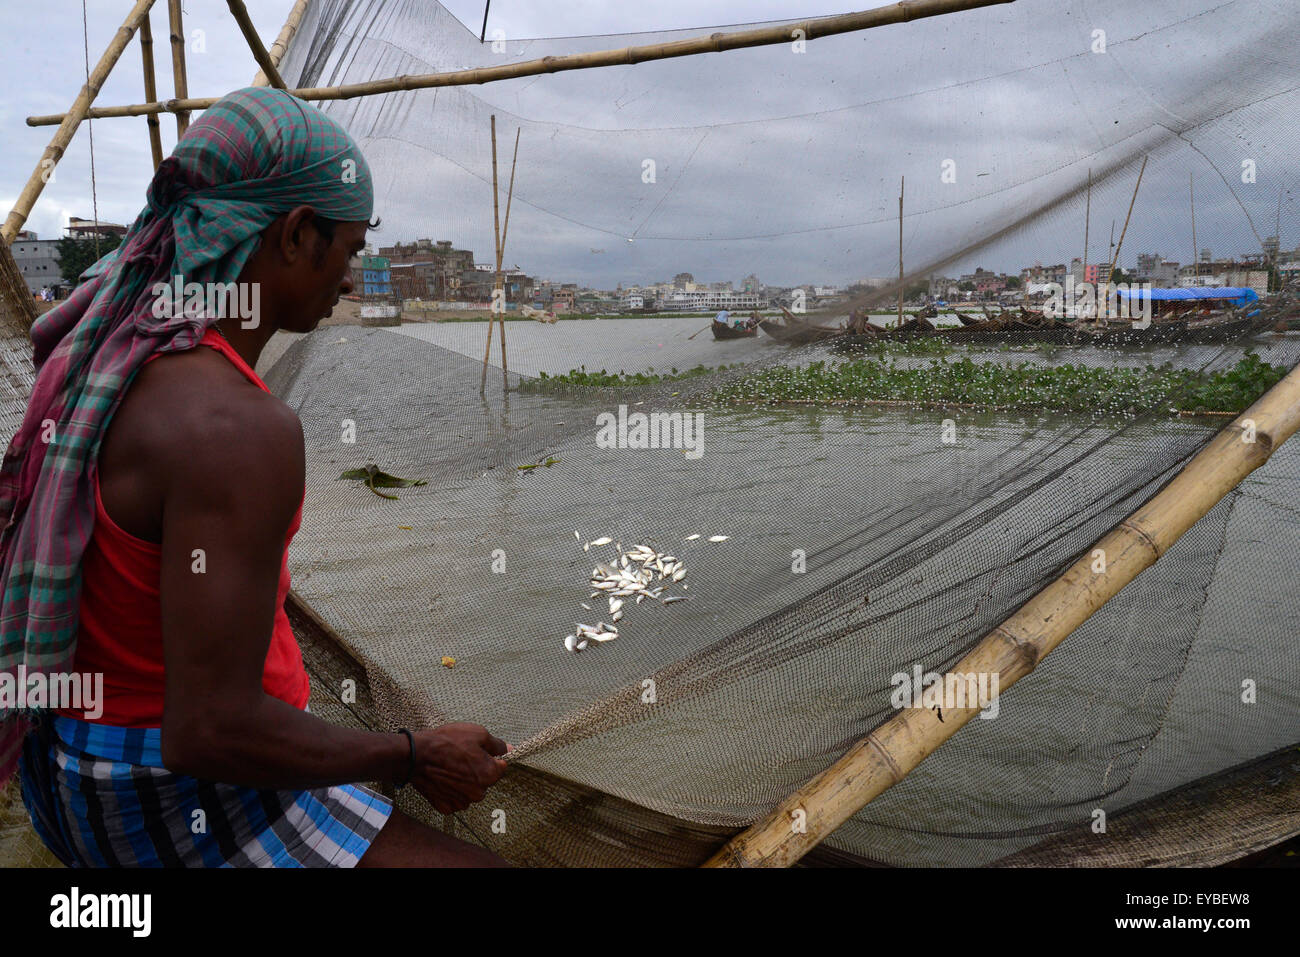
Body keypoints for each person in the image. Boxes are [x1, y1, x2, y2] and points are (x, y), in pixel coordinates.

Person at [0, 88, 509, 867]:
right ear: (299, 234)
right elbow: (211, 728)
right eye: (350, 246)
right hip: (164, 792)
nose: (348, 277)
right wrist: (412, 753)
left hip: (64, 763)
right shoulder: (239, 429)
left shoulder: (113, 360)